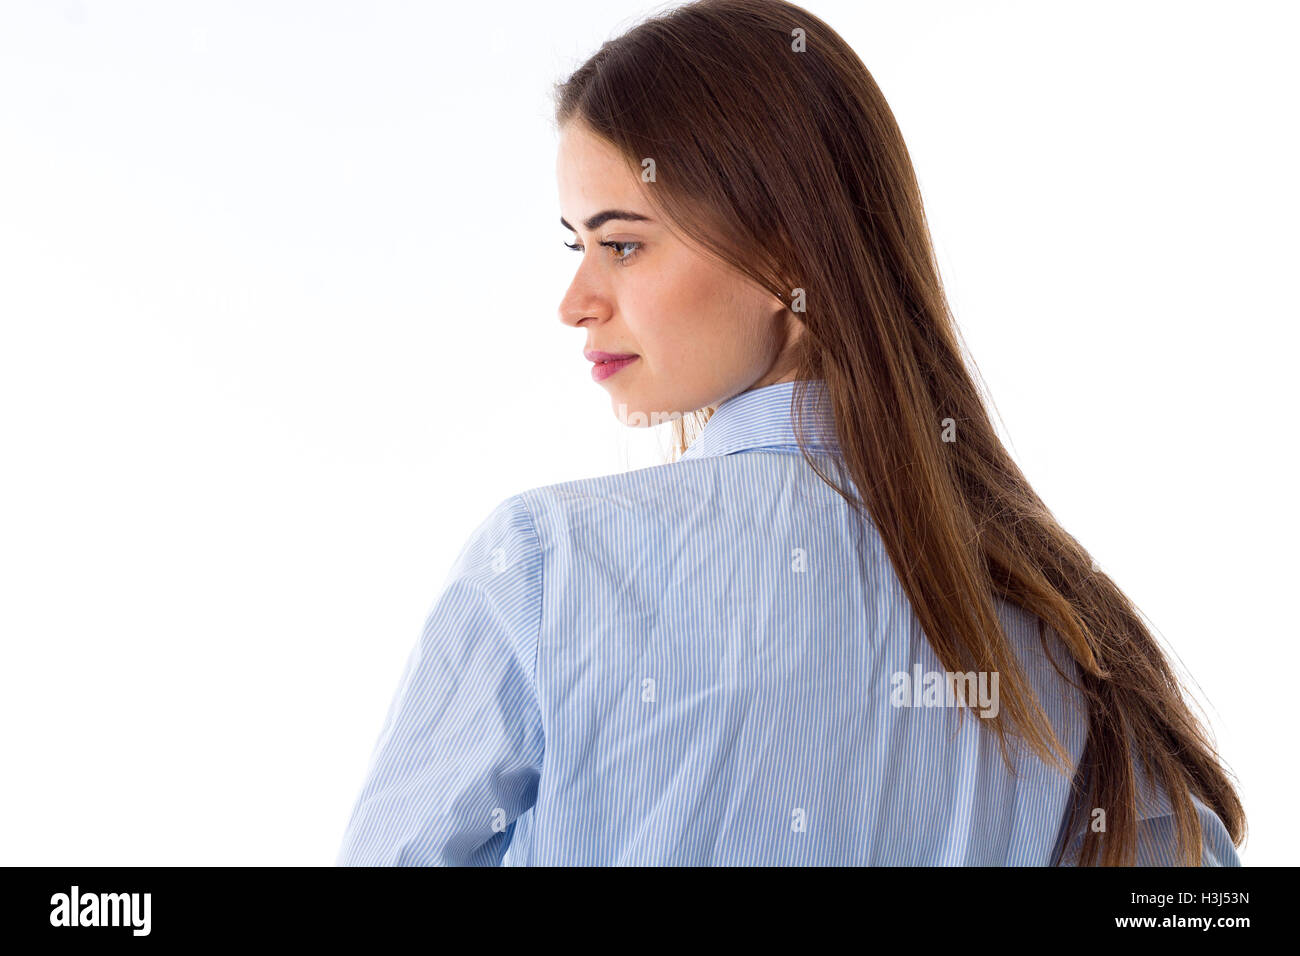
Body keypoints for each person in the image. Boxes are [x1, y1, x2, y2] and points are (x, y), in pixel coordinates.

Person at [335, 0, 1244, 866]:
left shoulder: (548, 563)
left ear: (786, 257)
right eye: (576, 245)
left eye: (622, 244)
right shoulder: (1053, 623)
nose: (576, 303)